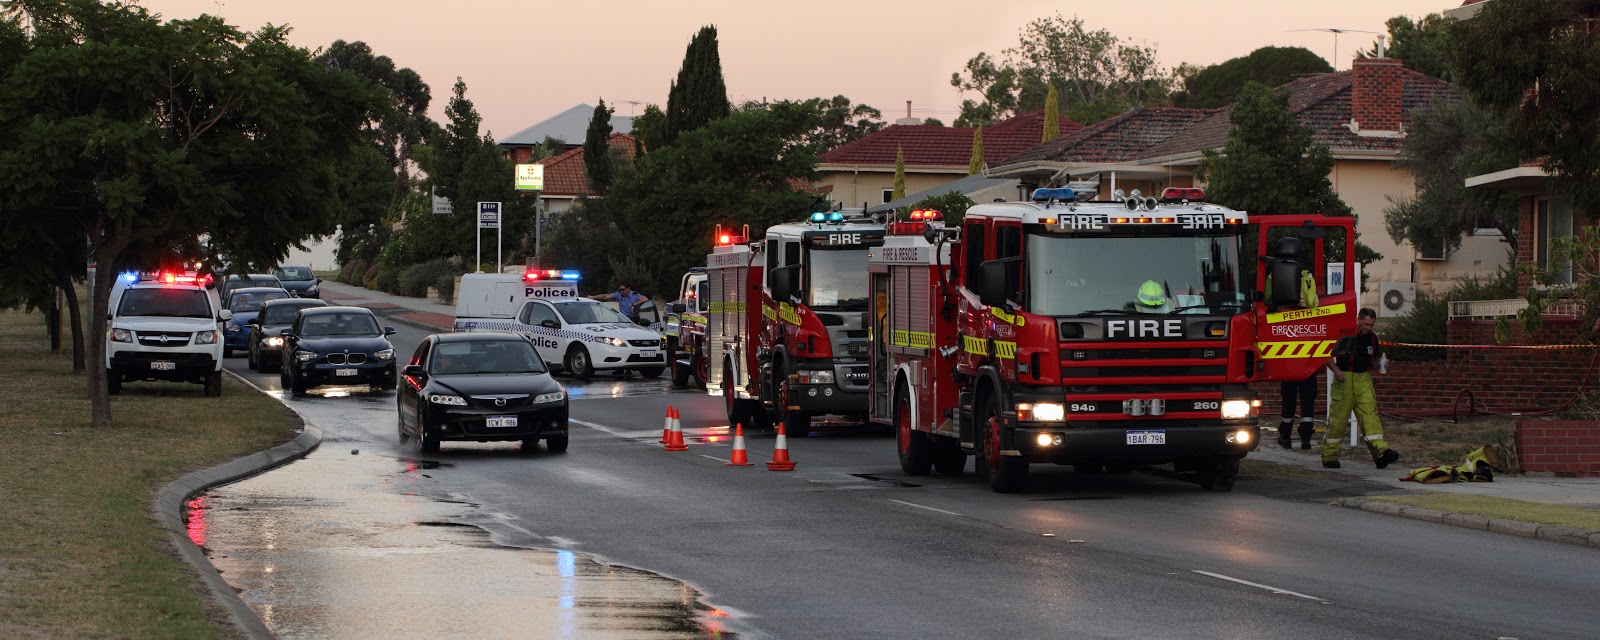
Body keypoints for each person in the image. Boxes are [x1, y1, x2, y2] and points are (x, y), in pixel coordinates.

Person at [1322, 308, 1401, 469]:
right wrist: (1336, 371)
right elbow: (1325, 354)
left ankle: (1381, 453)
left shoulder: (1372, 338)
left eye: (1371, 325)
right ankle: (1329, 456)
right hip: (1344, 379)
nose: (1368, 328)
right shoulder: (1345, 334)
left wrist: (1382, 363)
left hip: (1364, 379)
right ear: (1358, 319)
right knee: (1338, 420)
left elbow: (1375, 357)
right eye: (1366, 324)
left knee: (1370, 417)